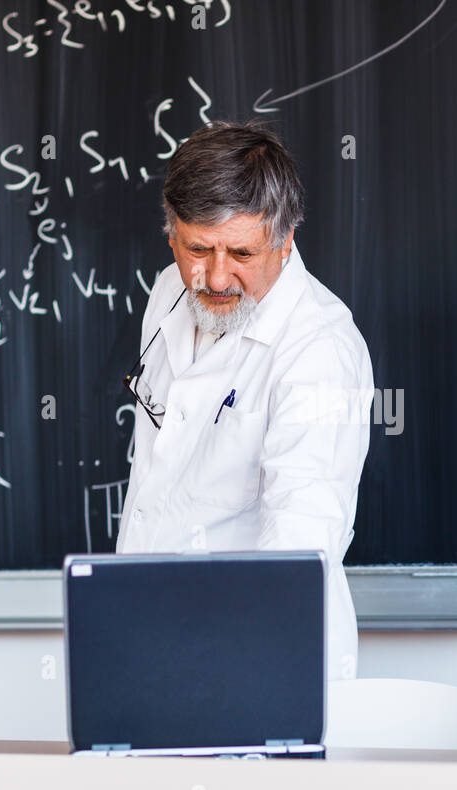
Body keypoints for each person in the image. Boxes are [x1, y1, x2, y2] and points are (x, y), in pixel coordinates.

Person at [115, 121, 374, 681]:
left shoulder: (318, 351)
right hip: (143, 630)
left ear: (285, 239)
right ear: (171, 235)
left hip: (255, 656)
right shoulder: (168, 292)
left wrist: (236, 678)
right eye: (197, 249)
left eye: (241, 252)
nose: (214, 276)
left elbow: (300, 541)